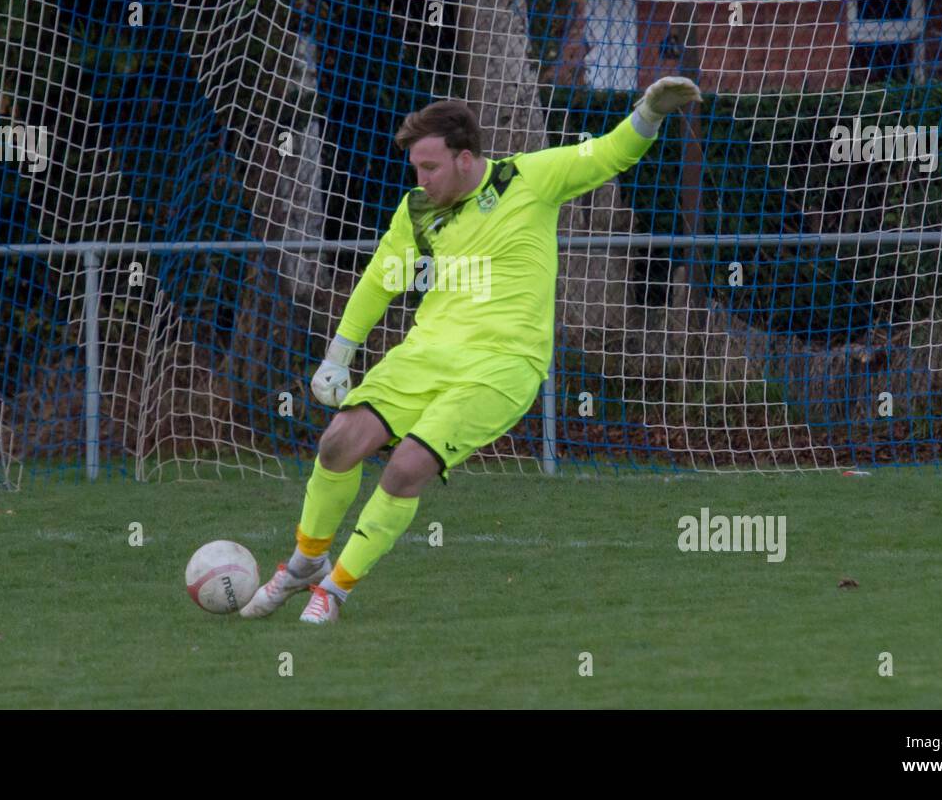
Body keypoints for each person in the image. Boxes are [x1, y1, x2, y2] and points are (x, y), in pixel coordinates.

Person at [240, 76, 702, 623]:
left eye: (430, 167)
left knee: (405, 469)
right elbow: (379, 281)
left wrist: (648, 112)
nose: (421, 179)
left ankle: (335, 591)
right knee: (338, 442)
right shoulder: (417, 210)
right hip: (426, 353)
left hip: (503, 365)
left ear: (465, 158)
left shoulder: (529, 179)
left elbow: (607, 154)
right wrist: (338, 355)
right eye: (416, 168)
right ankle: (304, 564)